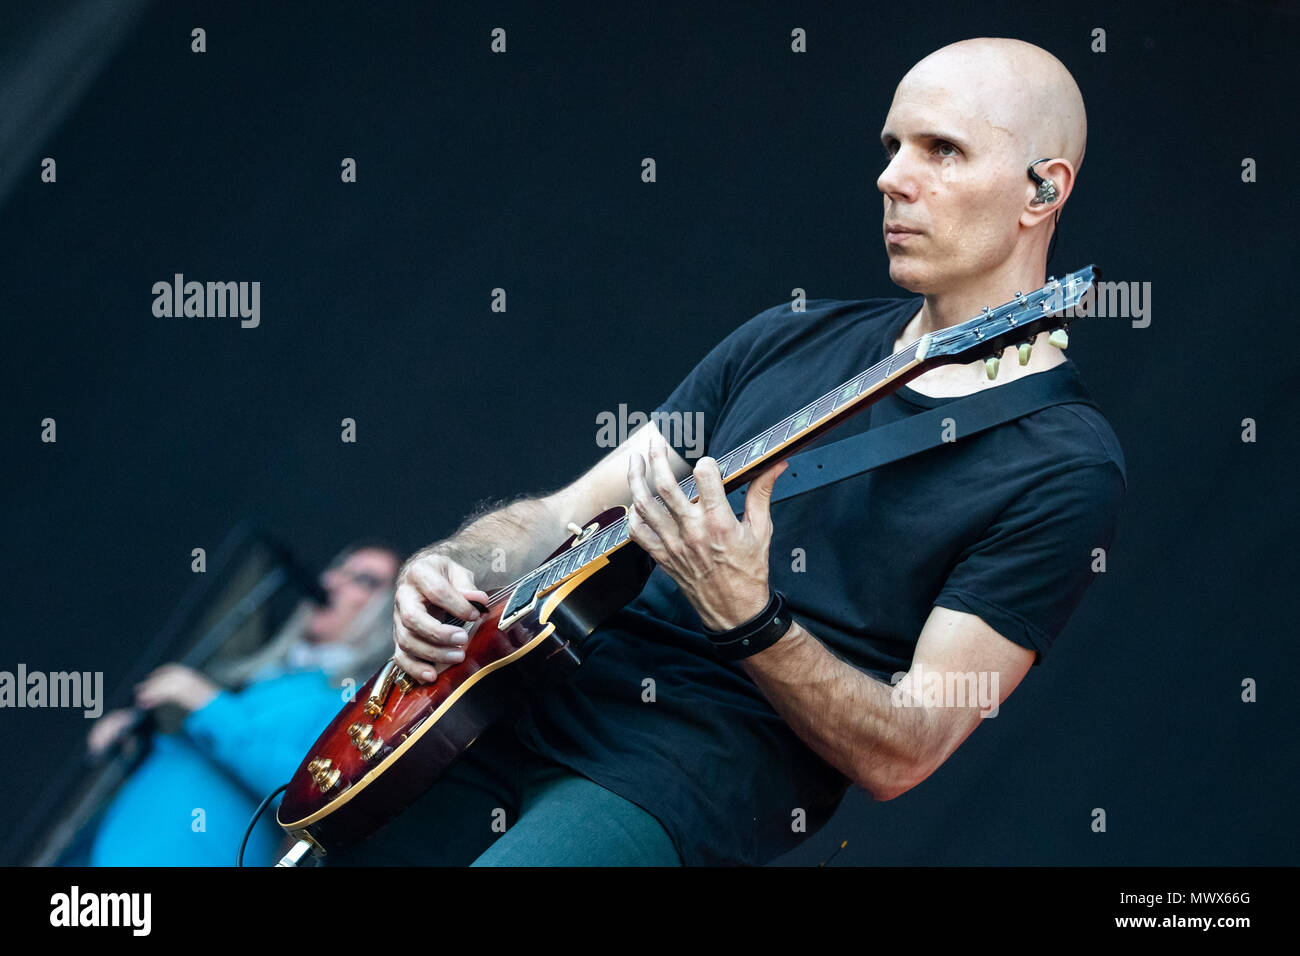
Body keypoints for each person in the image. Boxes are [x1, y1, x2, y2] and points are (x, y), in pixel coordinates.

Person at [329, 37, 1125, 867]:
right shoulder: (786, 336)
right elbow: (567, 513)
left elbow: (908, 749)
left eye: (942, 151)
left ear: (1043, 189)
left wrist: (750, 615)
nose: (892, 179)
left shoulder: (1065, 464)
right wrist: (454, 564)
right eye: (892, 147)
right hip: (522, 698)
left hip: (687, 769)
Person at [85, 543, 400, 866]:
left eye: (363, 580)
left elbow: (306, 787)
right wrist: (138, 741)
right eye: (338, 568)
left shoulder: (356, 702)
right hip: (116, 844)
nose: (332, 581)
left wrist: (207, 703)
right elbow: (201, 757)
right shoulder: (276, 672)